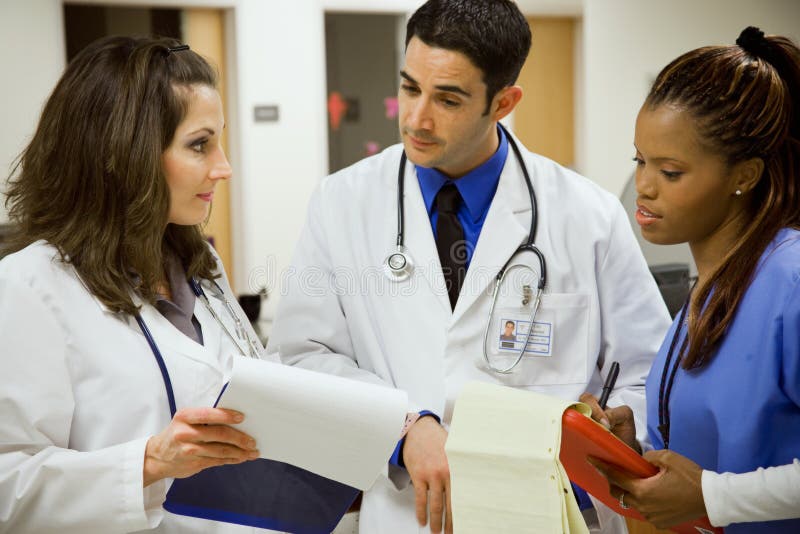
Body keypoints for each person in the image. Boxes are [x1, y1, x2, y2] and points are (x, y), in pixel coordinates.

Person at [267, 1, 671, 532]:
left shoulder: (588, 215)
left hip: (550, 516)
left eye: (448, 99)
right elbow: (299, 356)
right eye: (410, 88)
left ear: (503, 102)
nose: (415, 118)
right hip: (410, 514)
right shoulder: (340, 203)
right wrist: (403, 426)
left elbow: (647, 374)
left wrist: (609, 435)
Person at [0, 36, 272, 533]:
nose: (224, 167)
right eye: (199, 144)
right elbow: (7, 488)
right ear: (125, 154)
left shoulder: (200, 264)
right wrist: (148, 463)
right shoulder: (30, 287)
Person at [581, 27, 800, 533]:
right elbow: (702, 465)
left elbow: (711, 486)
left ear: (743, 175)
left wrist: (711, 496)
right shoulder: (704, 297)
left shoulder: (788, 282)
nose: (643, 186)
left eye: (671, 171)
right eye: (640, 160)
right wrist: (634, 453)